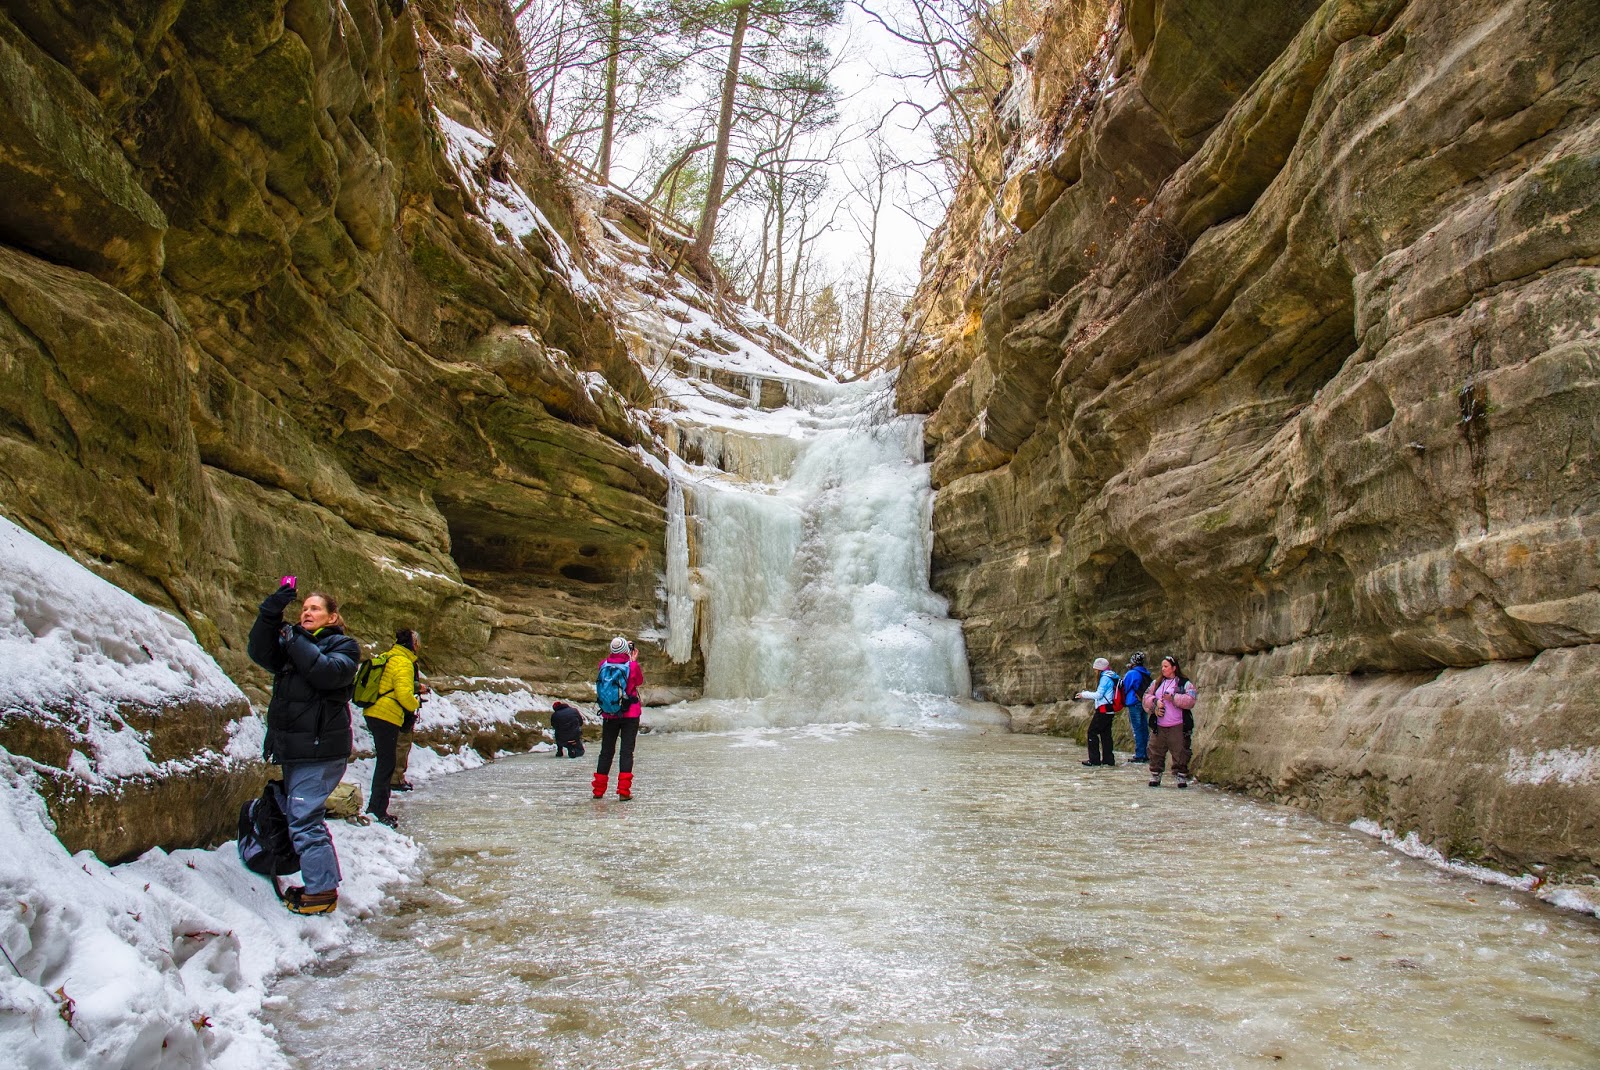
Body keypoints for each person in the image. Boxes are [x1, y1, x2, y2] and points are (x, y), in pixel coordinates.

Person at [247, 579, 360, 915]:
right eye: (303, 607)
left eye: (315, 608)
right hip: (296, 749)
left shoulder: (345, 647)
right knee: (304, 817)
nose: (306, 612)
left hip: (321, 751)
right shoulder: (293, 646)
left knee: (304, 820)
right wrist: (270, 614)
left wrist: (294, 637)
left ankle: (322, 892)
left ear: (332, 617)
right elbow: (259, 652)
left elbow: (325, 673)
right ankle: (321, 882)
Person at [362, 629, 423, 828]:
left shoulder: (389, 656)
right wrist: (414, 706)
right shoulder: (404, 662)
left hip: (374, 711)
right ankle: (377, 810)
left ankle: (376, 808)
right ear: (412, 644)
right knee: (386, 764)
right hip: (386, 714)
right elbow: (404, 694)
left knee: (384, 762)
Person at [592, 636, 643, 799]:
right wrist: (633, 660)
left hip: (609, 714)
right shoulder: (632, 666)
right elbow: (638, 681)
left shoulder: (603, 664)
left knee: (606, 752)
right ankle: (624, 791)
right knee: (626, 752)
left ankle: (598, 790)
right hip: (630, 714)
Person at [1143, 654, 1197, 788]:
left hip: (1178, 725)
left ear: (1174, 668)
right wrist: (1155, 703)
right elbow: (1145, 697)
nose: (1163, 669)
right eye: (1162, 666)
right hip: (1159, 725)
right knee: (1155, 750)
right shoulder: (1156, 683)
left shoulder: (1184, 684)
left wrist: (1173, 698)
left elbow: (1191, 700)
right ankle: (1155, 774)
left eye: (1166, 666)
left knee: (1180, 752)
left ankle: (1181, 775)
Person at [1075, 656, 1119, 767]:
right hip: (1110, 710)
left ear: (1099, 669)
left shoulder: (1104, 678)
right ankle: (1108, 759)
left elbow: (1098, 695)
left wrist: (1083, 694)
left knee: (1092, 732)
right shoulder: (1112, 676)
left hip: (1103, 710)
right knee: (1106, 734)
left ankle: (1094, 760)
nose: (1094, 671)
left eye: (1095, 669)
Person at [1121, 651, 1152, 764]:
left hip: (1134, 702)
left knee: (1137, 729)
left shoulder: (1132, 673)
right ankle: (1146, 753)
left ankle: (1140, 754)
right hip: (1143, 702)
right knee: (1144, 727)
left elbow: (1125, 687)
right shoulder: (1146, 673)